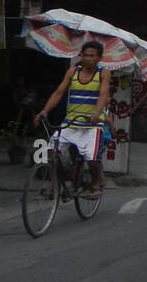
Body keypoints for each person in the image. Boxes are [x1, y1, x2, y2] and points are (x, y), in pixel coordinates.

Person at [34, 40, 111, 196]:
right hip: (70, 122)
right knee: (51, 153)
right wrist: (45, 110)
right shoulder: (72, 72)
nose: (88, 58)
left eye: (92, 56)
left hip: (92, 125)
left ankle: (96, 182)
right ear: (80, 55)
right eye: (85, 55)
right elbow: (58, 93)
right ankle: (54, 184)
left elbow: (103, 94)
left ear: (99, 58)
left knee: (92, 159)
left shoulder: (103, 73)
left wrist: (96, 113)